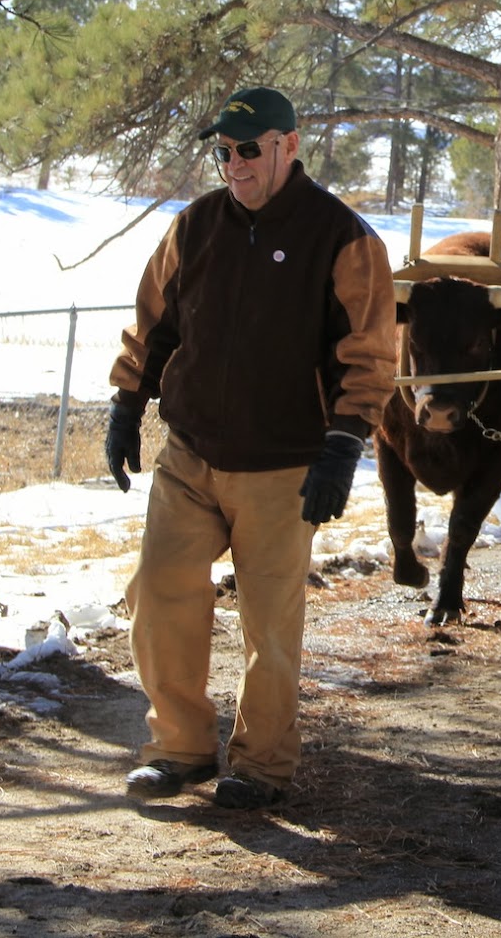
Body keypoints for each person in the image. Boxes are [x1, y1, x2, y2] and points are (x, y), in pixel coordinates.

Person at [104, 86, 396, 809]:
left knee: (269, 622)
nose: (234, 164)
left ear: (288, 146)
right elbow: (154, 321)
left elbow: (370, 354)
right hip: (191, 451)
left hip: (283, 464)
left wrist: (342, 446)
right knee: (160, 590)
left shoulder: (344, 237)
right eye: (223, 151)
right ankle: (179, 746)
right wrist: (125, 401)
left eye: (249, 149)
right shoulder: (196, 225)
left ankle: (261, 764)